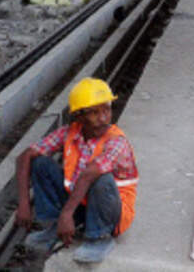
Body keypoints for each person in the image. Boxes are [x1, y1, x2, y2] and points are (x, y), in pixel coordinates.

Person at [15, 78, 138, 263]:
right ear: (79, 116)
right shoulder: (70, 132)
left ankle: (99, 237)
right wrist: (23, 203)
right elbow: (25, 156)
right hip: (82, 203)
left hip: (111, 212)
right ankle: (55, 226)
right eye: (94, 113)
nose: (103, 118)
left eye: (106, 109)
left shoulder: (117, 141)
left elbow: (90, 174)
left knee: (101, 178)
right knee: (41, 164)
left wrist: (67, 214)